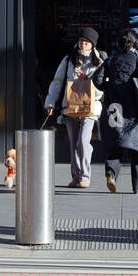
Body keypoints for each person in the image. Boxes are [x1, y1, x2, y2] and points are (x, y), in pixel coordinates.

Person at [97, 29, 138, 194]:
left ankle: (111, 172)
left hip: (115, 108)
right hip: (136, 111)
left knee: (115, 143)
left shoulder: (110, 61)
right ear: (135, 43)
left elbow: (97, 80)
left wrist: (110, 87)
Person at [44, 27, 106, 188]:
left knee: (83, 142)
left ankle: (85, 175)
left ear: (93, 45)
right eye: (81, 41)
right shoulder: (68, 59)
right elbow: (57, 81)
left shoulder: (99, 62)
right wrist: (50, 102)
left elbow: (102, 88)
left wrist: (88, 80)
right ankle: (76, 176)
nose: (83, 44)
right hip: (71, 106)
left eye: (87, 42)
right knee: (73, 144)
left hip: (91, 108)